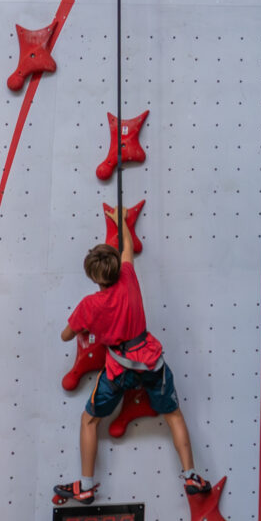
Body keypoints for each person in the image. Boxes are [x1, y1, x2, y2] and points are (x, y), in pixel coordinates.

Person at [54, 207, 210, 504]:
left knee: (89, 421)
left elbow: (65, 335)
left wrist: (79, 326)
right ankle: (191, 476)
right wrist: (120, 220)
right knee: (174, 415)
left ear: (92, 276)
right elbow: (126, 248)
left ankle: (86, 485)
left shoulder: (89, 305)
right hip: (151, 363)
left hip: (119, 370)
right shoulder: (128, 277)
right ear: (115, 267)